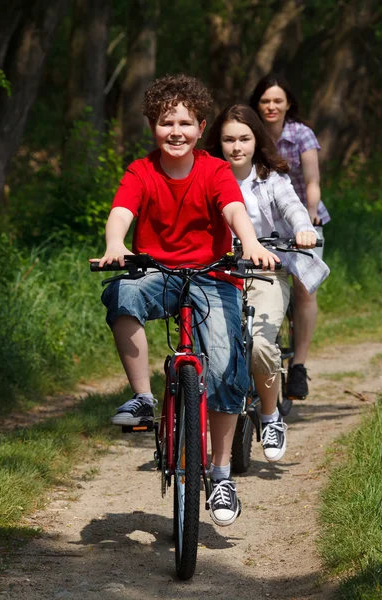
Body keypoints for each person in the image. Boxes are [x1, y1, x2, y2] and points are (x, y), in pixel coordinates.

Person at [91, 75, 279, 526]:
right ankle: (141, 399)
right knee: (122, 293)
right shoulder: (141, 171)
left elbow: (233, 208)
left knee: (225, 364)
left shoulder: (213, 170)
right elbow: (122, 211)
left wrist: (249, 243)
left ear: (200, 127)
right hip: (156, 270)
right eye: (164, 122)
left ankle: (220, 473)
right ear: (152, 126)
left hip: (213, 276)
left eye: (184, 123)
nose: (175, 131)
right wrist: (117, 243)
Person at [206, 104, 329, 462]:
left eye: (244, 138)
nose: (236, 146)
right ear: (219, 142)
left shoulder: (272, 179)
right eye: (228, 139)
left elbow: (292, 207)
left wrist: (304, 228)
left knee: (260, 344)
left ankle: (271, 415)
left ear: (256, 140)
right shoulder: (207, 174)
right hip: (216, 272)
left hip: (266, 272)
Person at [249, 73, 331, 400]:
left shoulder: (302, 135)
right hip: (264, 219)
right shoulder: (250, 134)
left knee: (304, 288)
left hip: (300, 222)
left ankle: (298, 365)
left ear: (288, 104)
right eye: (265, 101)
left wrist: (309, 217)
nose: (271, 107)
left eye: (277, 101)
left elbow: (312, 181)